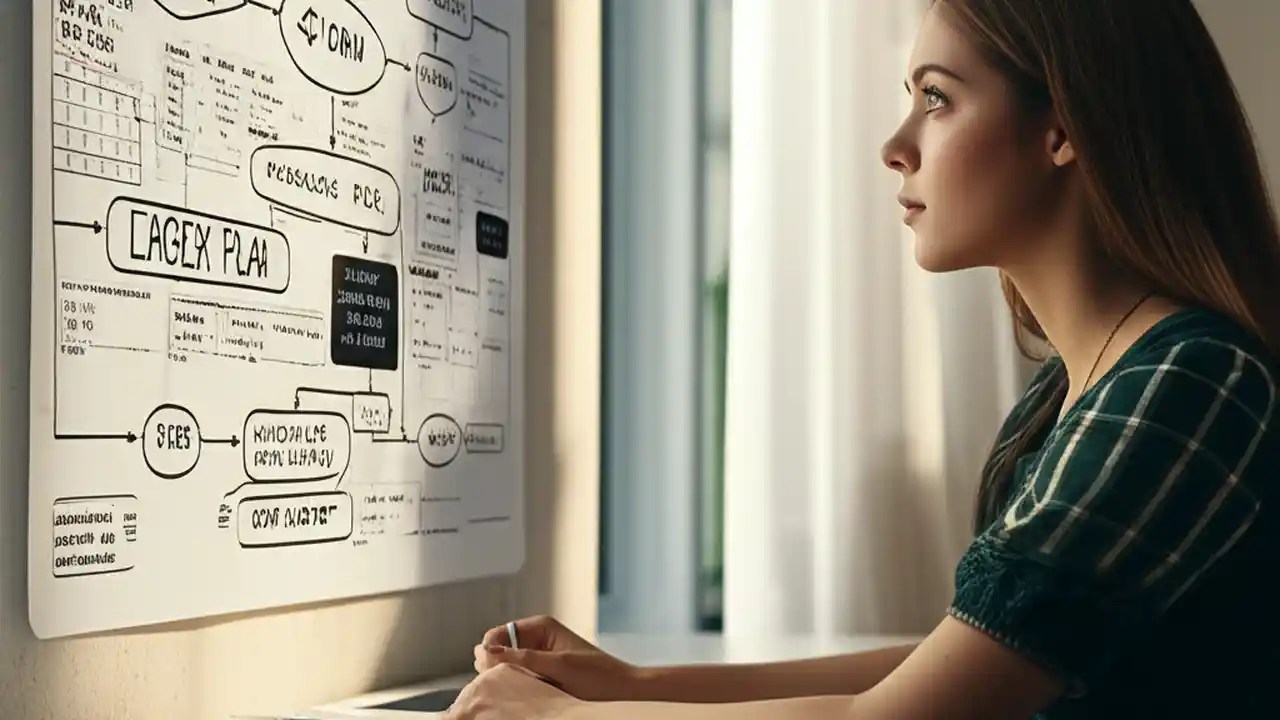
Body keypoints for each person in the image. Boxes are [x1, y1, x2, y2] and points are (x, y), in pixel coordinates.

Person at [446, 0, 1280, 717]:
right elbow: (956, 666)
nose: (896, 144)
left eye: (937, 100)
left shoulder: (1194, 385)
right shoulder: (1064, 397)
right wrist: (631, 684)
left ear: (1064, 127)